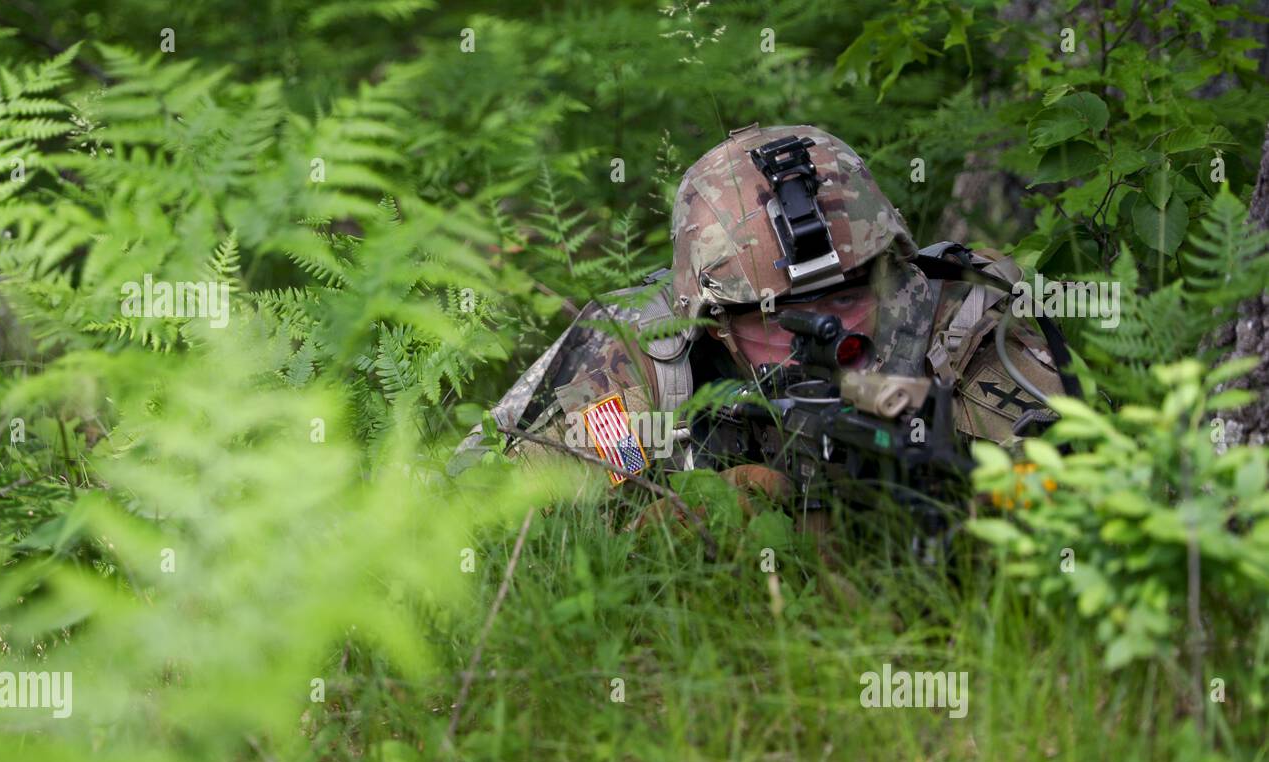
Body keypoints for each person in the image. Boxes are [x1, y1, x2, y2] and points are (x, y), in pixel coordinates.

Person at [451, 123, 1075, 498]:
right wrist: (658, 523)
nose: (829, 332)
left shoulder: (962, 342)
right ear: (713, 322)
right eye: (778, 315)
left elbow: (1093, 508)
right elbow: (482, 505)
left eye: (849, 296)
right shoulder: (651, 359)